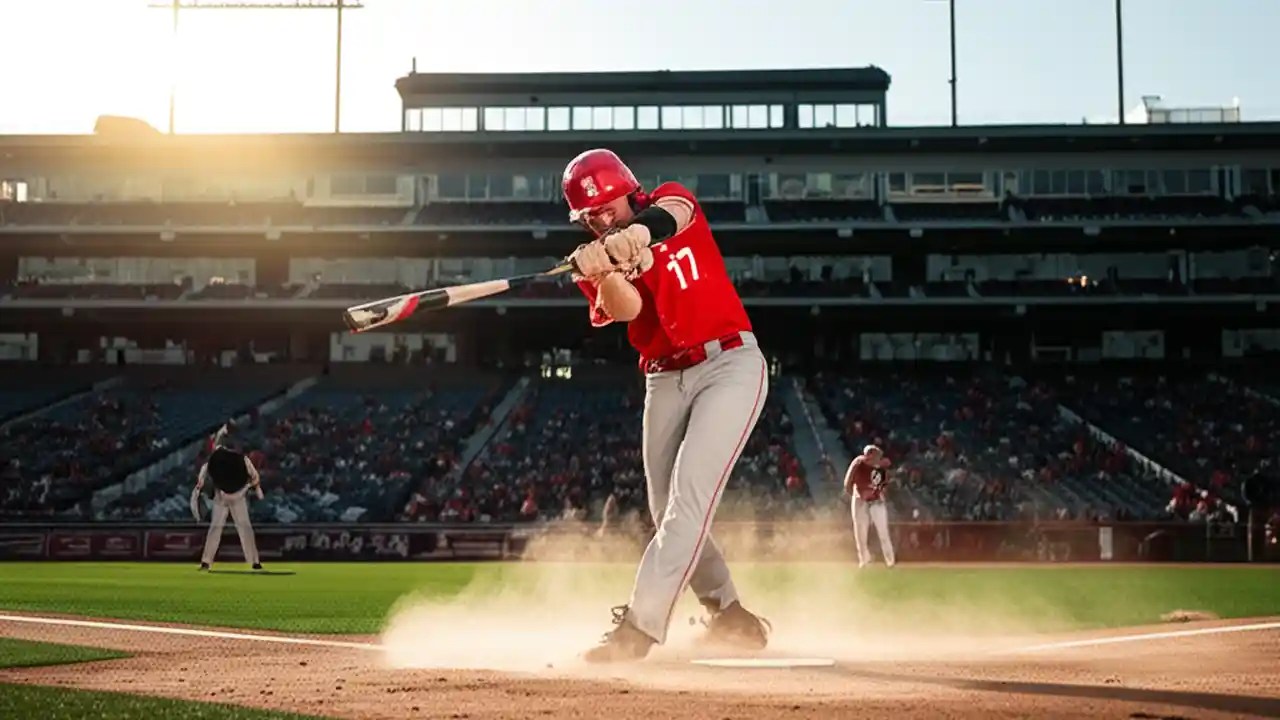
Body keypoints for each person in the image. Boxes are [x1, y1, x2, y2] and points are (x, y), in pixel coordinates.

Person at [563, 148, 771, 663]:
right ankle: (730, 616)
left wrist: (632, 239)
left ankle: (639, 626)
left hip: (729, 365)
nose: (599, 219)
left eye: (607, 207)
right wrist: (605, 273)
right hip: (663, 380)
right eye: (590, 216)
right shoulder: (596, 258)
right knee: (667, 512)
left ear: (628, 193)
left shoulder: (670, 201)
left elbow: (671, 217)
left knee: (686, 505)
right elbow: (627, 309)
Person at [194, 423, 264, 571]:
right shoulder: (231, 459)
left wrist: (253, 487)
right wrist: (253, 488)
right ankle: (207, 561)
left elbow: (255, 477)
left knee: (235, 527)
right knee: (234, 527)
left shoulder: (238, 459)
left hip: (233, 495)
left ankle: (253, 561)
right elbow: (255, 477)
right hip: (226, 496)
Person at [843, 444, 896, 568]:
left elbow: (881, 488)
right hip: (859, 499)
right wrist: (857, 495)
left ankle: (890, 560)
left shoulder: (880, 468)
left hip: (875, 501)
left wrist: (875, 495)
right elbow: (847, 483)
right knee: (860, 531)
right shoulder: (858, 463)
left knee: (883, 532)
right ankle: (864, 560)